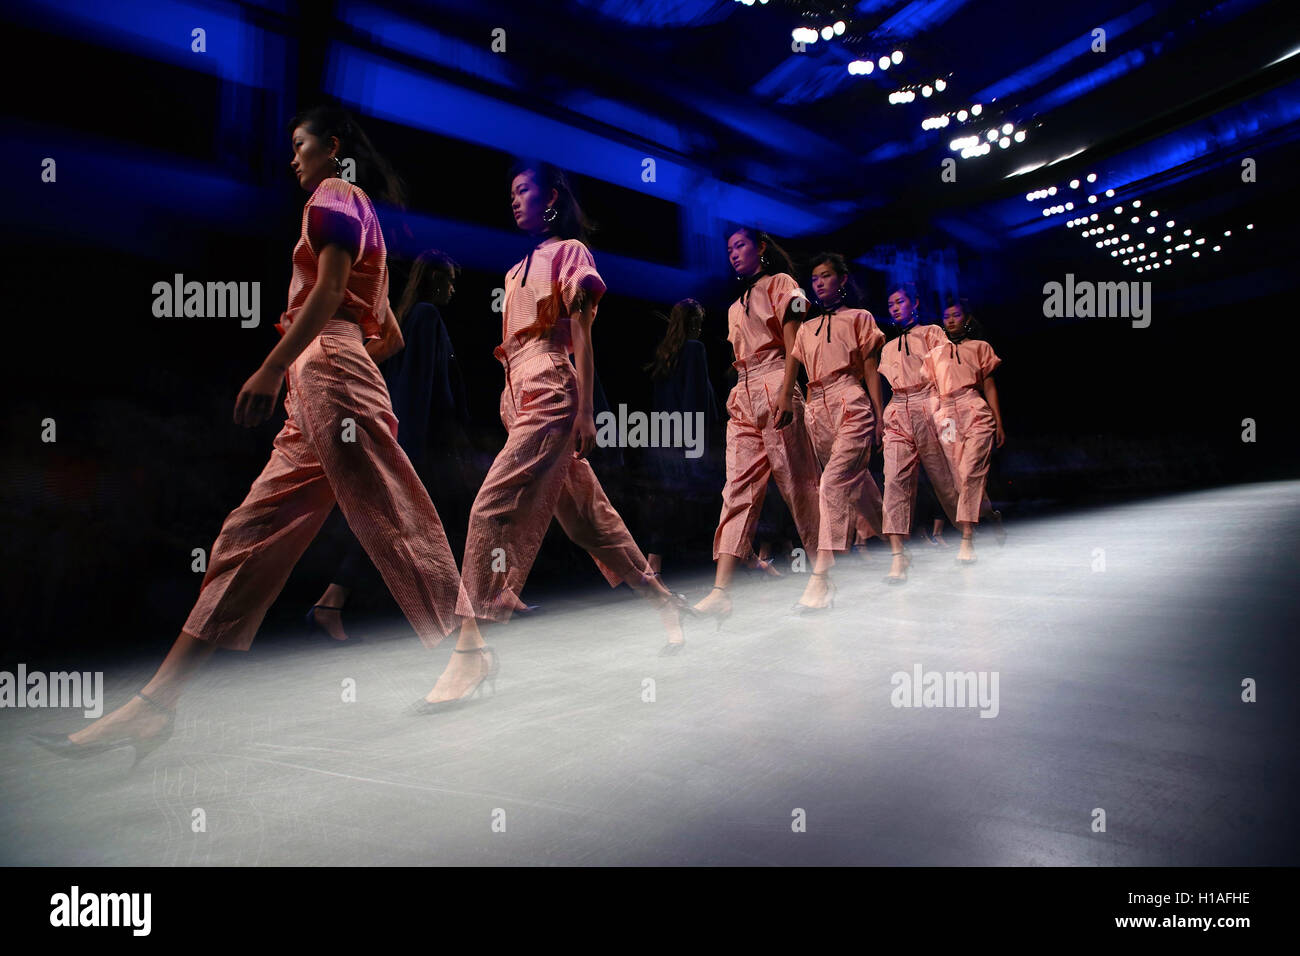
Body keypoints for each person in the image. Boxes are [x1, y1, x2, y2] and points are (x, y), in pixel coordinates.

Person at [33, 106, 469, 761]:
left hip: (325, 371)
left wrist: (280, 364)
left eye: (300, 145)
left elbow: (326, 294)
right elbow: (393, 334)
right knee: (246, 537)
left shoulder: (335, 195)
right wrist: (329, 361)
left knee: (390, 512)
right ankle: (156, 703)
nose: (292, 158)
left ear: (334, 147)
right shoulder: (357, 213)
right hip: (321, 381)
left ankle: (470, 649)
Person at [423, 159, 690, 696]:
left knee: (489, 504)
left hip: (551, 385)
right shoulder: (512, 272)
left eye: (525, 190)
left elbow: (584, 337)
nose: (515, 199)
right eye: (512, 192)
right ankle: (666, 603)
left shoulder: (572, 254)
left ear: (551, 199)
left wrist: (588, 410)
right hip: (517, 391)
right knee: (589, 522)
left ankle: (471, 649)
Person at [307, 249, 473, 641]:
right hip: (426, 446)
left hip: (420, 443)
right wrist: (412, 452)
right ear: (433, 280)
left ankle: (335, 601)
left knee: (407, 526)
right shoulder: (426, 317)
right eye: (448, 279)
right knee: (412, 525)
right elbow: (421, 389)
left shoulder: (409, 320)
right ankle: (336, 601)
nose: (451, 288)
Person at [692, 228, 823, 625]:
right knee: (736, 490)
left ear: (761, 247)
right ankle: (721, 591)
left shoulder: (780, 284)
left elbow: (793, 339)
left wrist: (787, 391)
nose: (733, 253)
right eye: (728, 248)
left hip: (774, 382)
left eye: (741, 245)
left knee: (798, 483)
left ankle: (821, 575)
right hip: (743, 391)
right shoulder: (735, 306)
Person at [787, 253, 886, 610]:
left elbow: (871, 369)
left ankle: (821, 577)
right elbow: (806, 380)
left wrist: (879, 414)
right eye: (814, 278)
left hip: (850, 400)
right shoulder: (806, 328)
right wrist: (809, 415)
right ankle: (898, 546)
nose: (819, 283)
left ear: (842, 280)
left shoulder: (860, 318)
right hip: (818, 409)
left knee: (831, 485)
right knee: (859, 487)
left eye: (826, 276)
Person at [878, 283, 959, 585]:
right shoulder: (887, 347)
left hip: (930, 402)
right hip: (898, 408)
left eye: (900, 302)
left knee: (945, 480)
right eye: (891, 304)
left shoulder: (932, 332)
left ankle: (968, 531)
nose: (895, 308)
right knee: (894, 481)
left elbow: (946, 374)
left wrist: (947, 410)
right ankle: (899, 556)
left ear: (914, 303)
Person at [926, 298, 1007, 563]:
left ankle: (967, 538)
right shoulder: (935, 353)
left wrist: (998, 421)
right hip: (947, 415)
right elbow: (932, 390)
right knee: (960, 479)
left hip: (974, 408)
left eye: (956, 314)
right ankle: (991, 516)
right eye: (946, 315)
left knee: (971, 471)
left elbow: (990, 386)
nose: (950, 319)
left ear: (967, 318)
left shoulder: (980, 347)